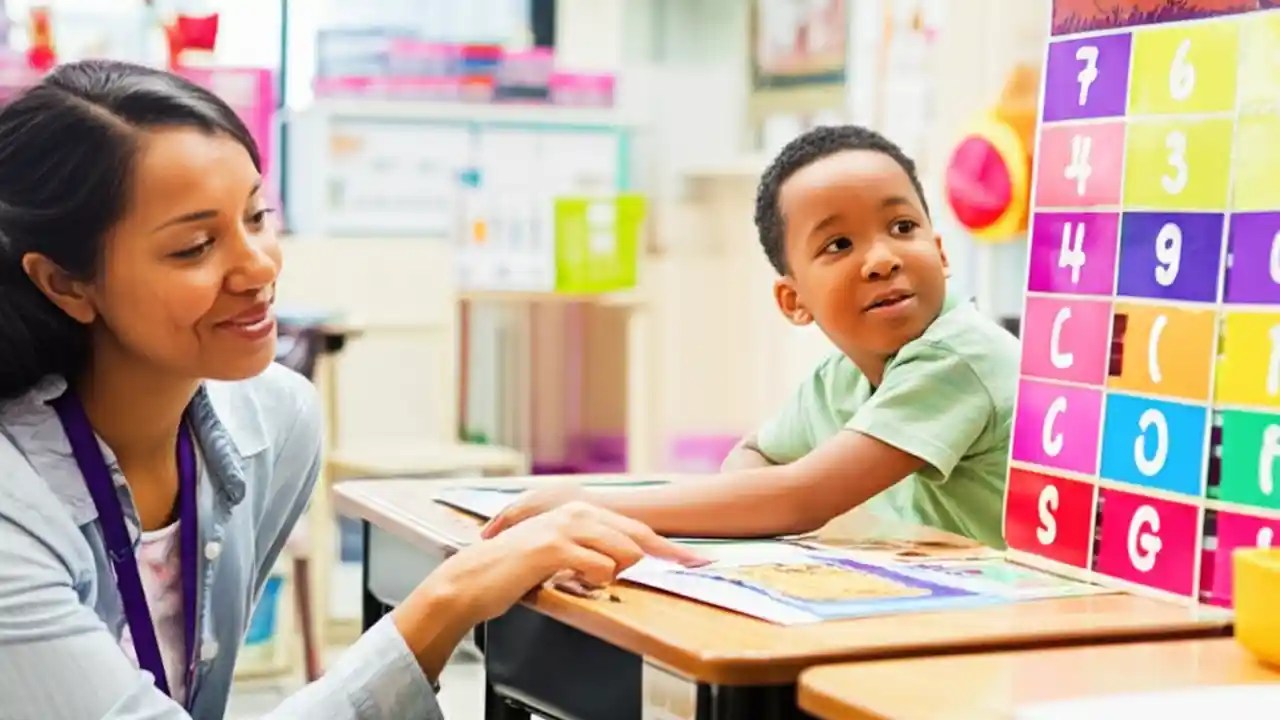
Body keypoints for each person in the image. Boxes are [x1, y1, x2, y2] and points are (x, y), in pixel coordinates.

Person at [0, 60, 703, 720]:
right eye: (194, 247)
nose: (257, 267)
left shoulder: (273, 421)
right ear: (64, 282)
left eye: (255, 216)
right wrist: (451, 598)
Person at [485, 125, 1019, 549]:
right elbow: (758, 455)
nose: (882, 259)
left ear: (943, 253)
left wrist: (593, 508)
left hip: (1047, 625)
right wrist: (748, 505)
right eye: (838, 244)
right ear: (794, 301)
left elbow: (800, 498)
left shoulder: (958, 355)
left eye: (903, 228)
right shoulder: (842, 379)